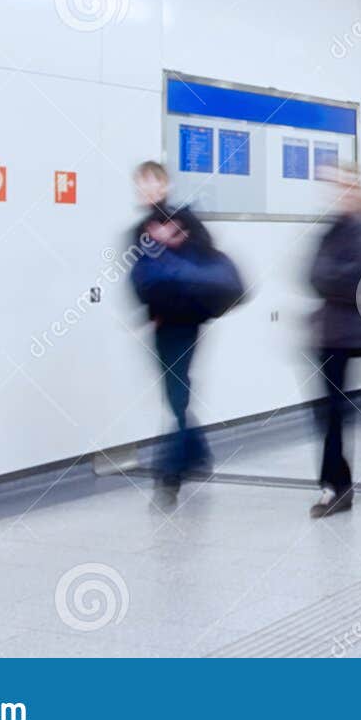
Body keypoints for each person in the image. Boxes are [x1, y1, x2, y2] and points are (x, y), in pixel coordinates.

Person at [131, 161, 216, 507]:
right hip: (162, 323)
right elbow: (139, 276)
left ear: (165, 185)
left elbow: (209, 256)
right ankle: (197, 453)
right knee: (175, 392)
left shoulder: (185, 220)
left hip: (186, 320)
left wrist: (177, 241)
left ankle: (169, 476)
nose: (147, 190)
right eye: (142, 184)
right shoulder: (140, 228)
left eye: (153, 183)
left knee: (178, 394)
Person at [307, 164, 361, 519]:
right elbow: (311, 274)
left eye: (344, 185)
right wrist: (331, 276)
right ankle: (337, 483)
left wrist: (329, 277)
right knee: (329, 411)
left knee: (334, 411)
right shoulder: (331, 230)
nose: (338, 192)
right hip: (328, 332)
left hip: (348, 334)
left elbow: (354, 281)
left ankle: (335, 487)